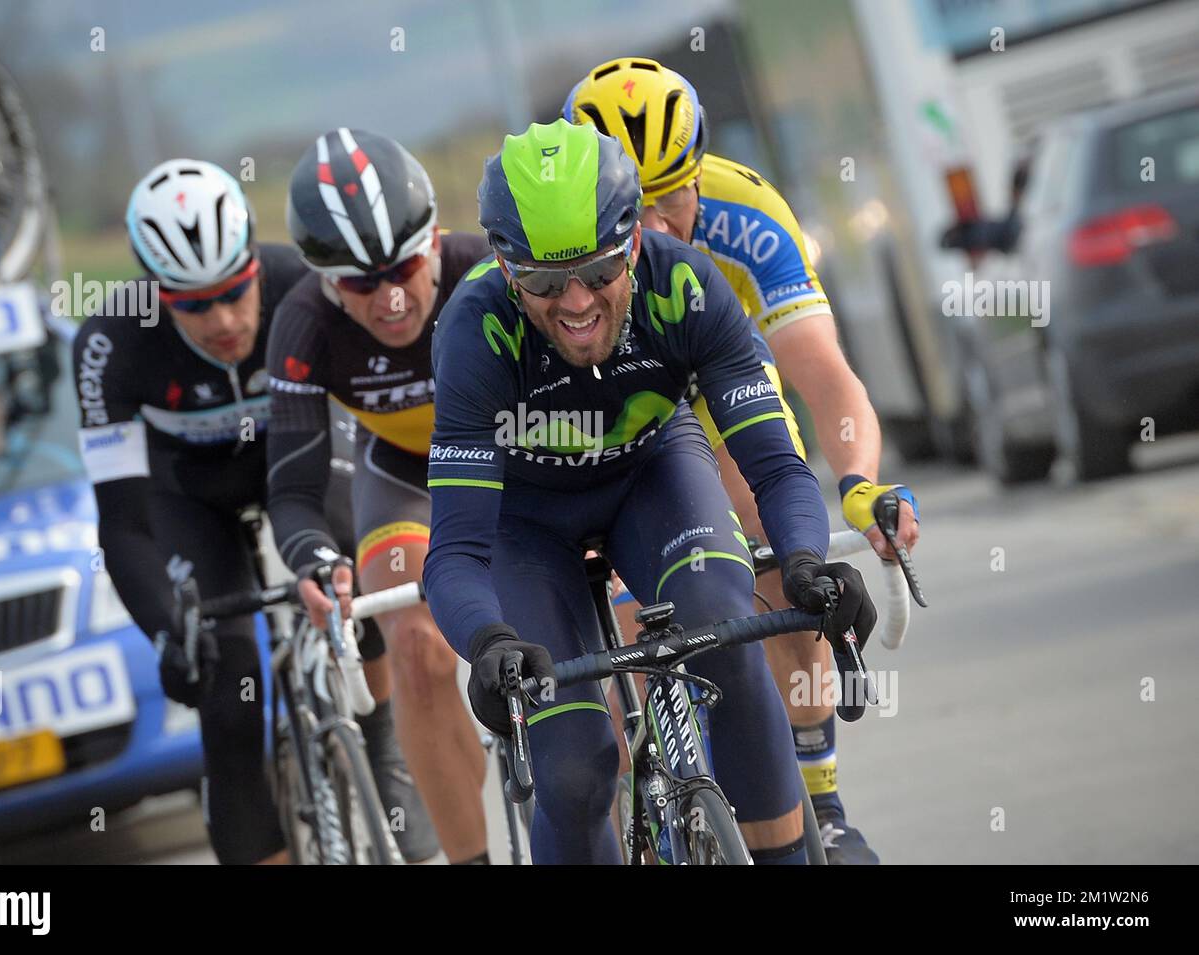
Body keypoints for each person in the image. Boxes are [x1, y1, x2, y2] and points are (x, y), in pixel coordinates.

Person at [423, 119, 876, 864]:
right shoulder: (475, 334)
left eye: (599, 272)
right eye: (542, 281)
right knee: (574, 767)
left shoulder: (685, 285)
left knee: (723, 634)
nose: (574, 304)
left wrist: (804, 561)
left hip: (650, 476)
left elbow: (775, 465)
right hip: (524, 523)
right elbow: (457, 552)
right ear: (506, 270)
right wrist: (489, 641)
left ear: (633, 243)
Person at [564, 57, 921, 862]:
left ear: (699, 176)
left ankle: (820, 799)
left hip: (715, 375)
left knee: (766, 521)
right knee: (624, 622)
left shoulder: (745, 215)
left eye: (671, 198)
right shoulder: (566, 243)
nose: (653, 226)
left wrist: (861, 484)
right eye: (632, 203)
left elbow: (825, 375)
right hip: (608, 411)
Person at [72, 158, 433, 864]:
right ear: (155, 293)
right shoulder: (110, 342)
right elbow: (123, 521)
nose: (226, 320)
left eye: (236, 293)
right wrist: (164, 631)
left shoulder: (303, 286)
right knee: (229, 703)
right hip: (188, 496)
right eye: (194, 305)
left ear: (253, 264)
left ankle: (382, 728)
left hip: (296, 455)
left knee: (351, 571)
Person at [266, 129, 492, 864]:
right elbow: (295, 489)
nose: (391, 298)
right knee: (417, 647)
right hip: (403, 477)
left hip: (524, 458)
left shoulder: (483, 271)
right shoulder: (302, 324)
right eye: (362, 284)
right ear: (328, 282)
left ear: (434, 243)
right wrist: (315, 557)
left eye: (403, 266)